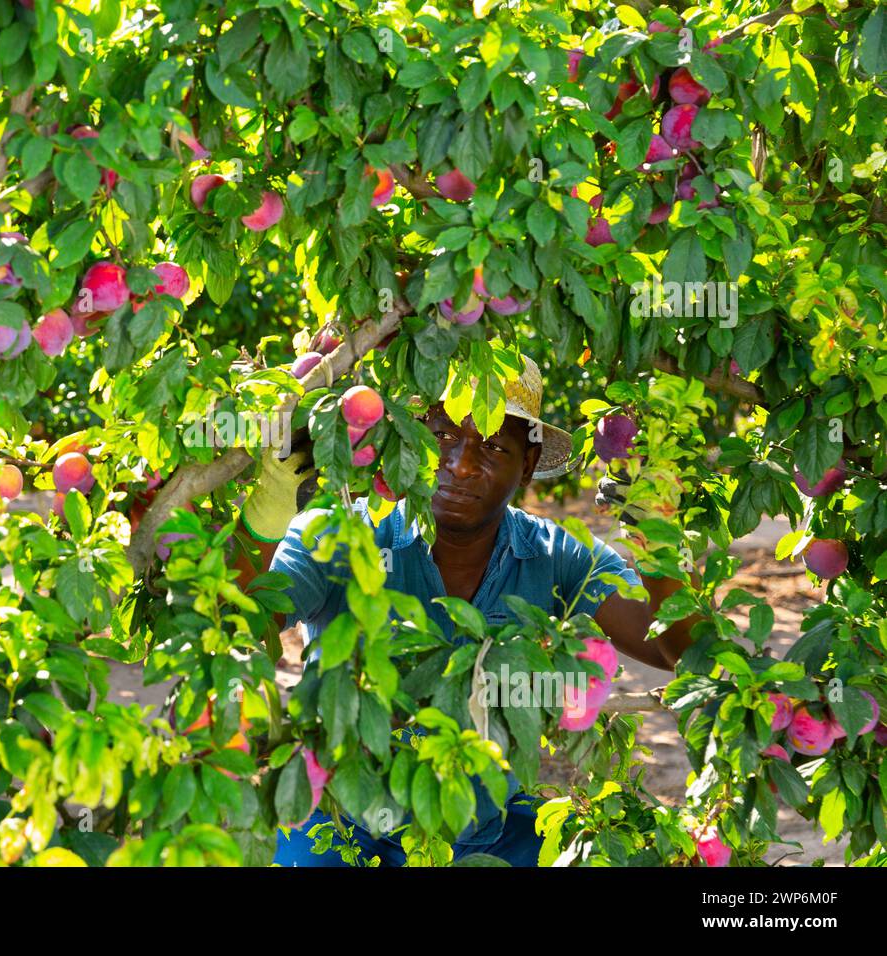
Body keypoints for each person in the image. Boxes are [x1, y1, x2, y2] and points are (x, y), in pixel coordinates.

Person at [234, 355, 698, 866]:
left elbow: (678, 651)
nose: (461, 463)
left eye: (495, 446)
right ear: (409, 440)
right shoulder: (338, 533)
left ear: (527, 464)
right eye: (441, 436)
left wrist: (660, 538)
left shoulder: (557, 556)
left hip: (488, 830)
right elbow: (248, 626)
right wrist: (268, 510)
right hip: (341, 825)